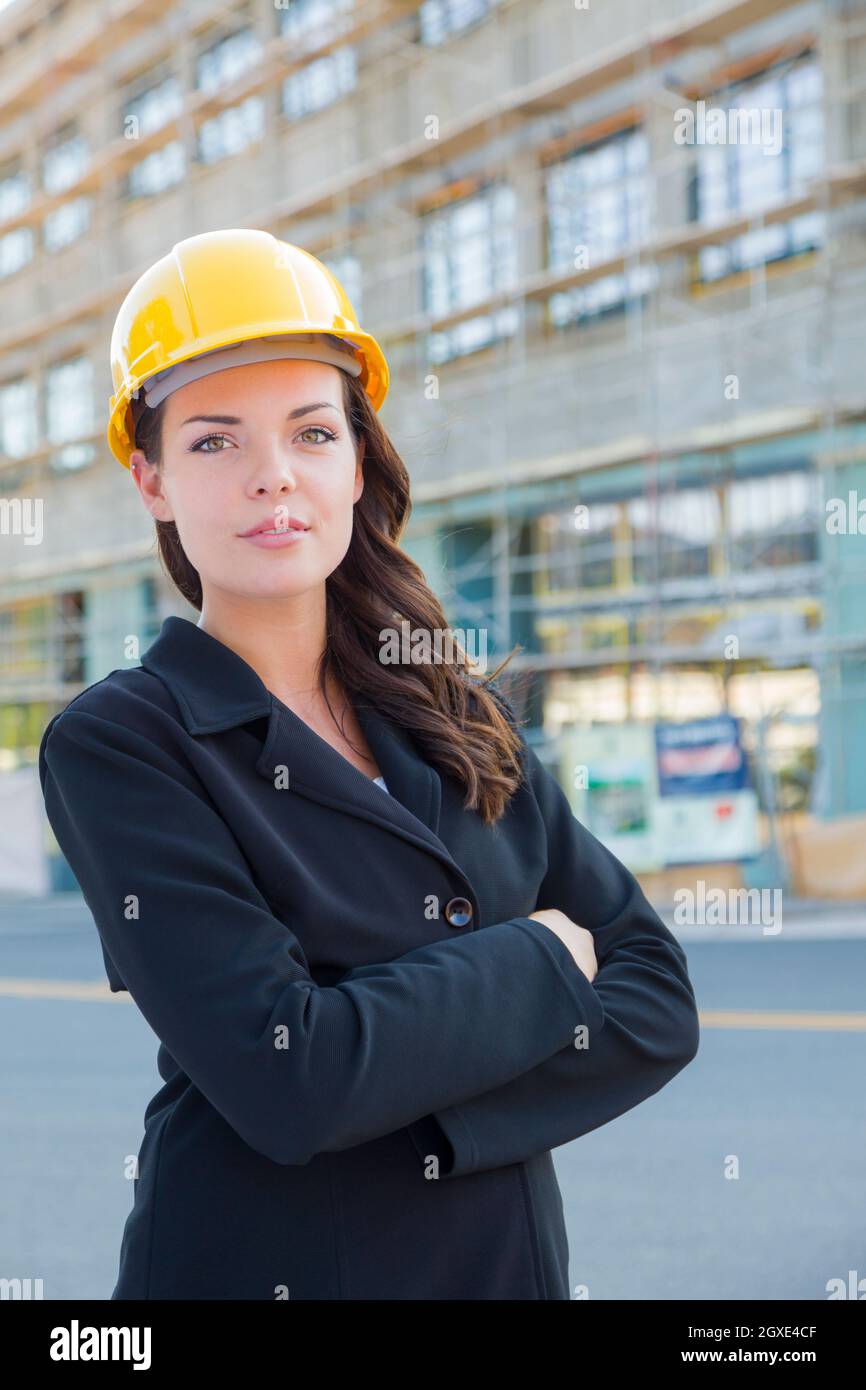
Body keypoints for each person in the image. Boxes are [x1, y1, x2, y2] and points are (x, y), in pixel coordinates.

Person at [39, 228, 700, 1300]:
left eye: (310, 430)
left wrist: (376, 1064)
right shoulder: (124, 742)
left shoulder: (454, 709)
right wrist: (535, 960)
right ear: (149, 477)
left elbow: (658, 998)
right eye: (215, 442)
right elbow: (288, 1078)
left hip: (500, 1272)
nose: (272, 477)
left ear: (355, 457)